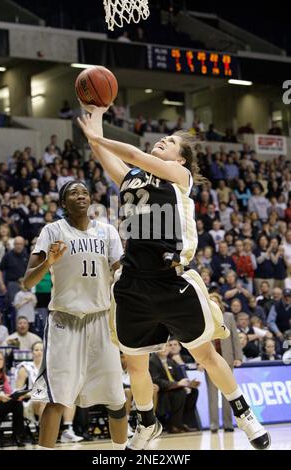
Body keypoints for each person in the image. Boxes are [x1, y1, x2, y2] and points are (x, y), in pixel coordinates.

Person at [77, 107, 270, 450]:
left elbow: (134, 153)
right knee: (135, 365)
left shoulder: (180, 180)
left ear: (180, 162)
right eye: (163, 139)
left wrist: (98, 136)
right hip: (134, 282)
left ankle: (243, 413)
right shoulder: (132, 179)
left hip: (173, 281)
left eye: (169, 143)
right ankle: (147, 424)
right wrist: (96, 124)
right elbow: (107, 154)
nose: (162, 142)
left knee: (206, 356)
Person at [23, 181, 127, 450]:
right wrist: (48, 263)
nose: (80, 196)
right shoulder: (52, 231)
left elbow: (120, 270)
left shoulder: (107, 232)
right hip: (64, 322)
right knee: (57, 399)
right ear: (62, 203)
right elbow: (27, 283)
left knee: (116, 399)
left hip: (101, 320)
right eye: (73, 192)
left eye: (84, 192)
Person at [205, 293, 243, 433]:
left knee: (228, 392)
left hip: (227, 360)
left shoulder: (228, 317)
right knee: (212, 395)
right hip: (209, 360)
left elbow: (235, 339)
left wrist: (238, 356)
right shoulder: (203, 317)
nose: (213, 303)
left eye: (216, 301)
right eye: (211, 301)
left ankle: (228, 424)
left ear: (220, 303)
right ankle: (214, 424)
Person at [0, 351, 25, 449]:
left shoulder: (4, 377)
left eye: (0, 359)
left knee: (17, 403)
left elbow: (9, 392)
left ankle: (17, 436)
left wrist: (15, 396)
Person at [15, 341, 45, 423]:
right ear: (32, 353)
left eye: (42, 350)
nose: (39, 352)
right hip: (30, 400)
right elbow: (18, 392)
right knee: (42, 400)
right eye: (36, 350)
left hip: (47, 398)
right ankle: (43, 430)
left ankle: (67, 427)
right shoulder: (25, 368)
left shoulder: (50, 369)